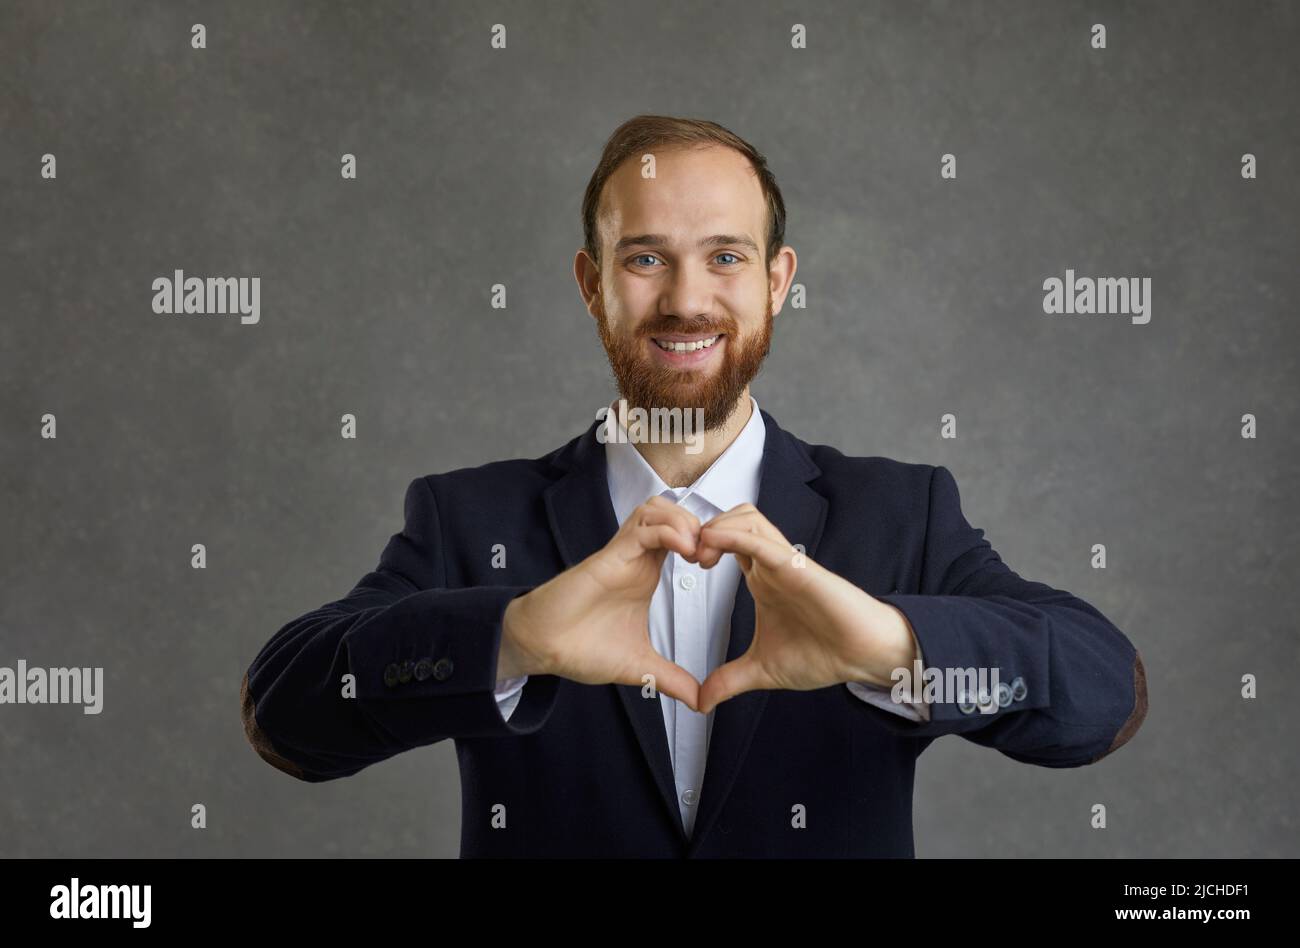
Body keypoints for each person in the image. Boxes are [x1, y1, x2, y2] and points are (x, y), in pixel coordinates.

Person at [240, 115, 1147, 857]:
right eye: (645, 258)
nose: (685, 300)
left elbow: (1104, 696)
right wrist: (512, 640)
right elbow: (284, 716)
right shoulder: (468, 518)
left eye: (725, 257)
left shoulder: (902, 513)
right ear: (592, 285)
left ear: (777, 281)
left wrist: (892, 647)